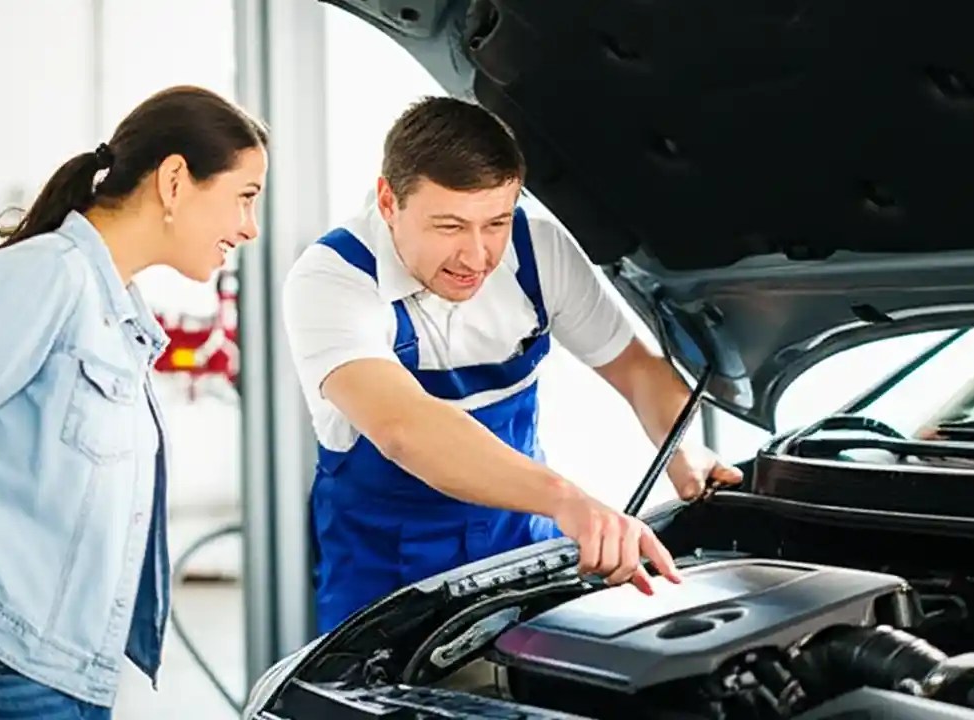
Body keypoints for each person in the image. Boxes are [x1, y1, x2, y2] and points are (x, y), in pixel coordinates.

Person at [0, 85, 268, 718]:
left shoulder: (115, 307)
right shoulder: (43, 276)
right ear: (173, 180)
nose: (249, 226)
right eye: (245, 197)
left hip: (58, 666)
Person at [283, 96, 742, 634]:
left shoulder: (538, 250)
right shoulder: (332, 279)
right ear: (388, 201)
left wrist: (685, 452)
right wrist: (570, 502)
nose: (476, 257)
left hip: (521, 551)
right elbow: (403, 427)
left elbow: (637, 369)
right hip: (386, 579)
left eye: (495, 222)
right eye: (450, 226)